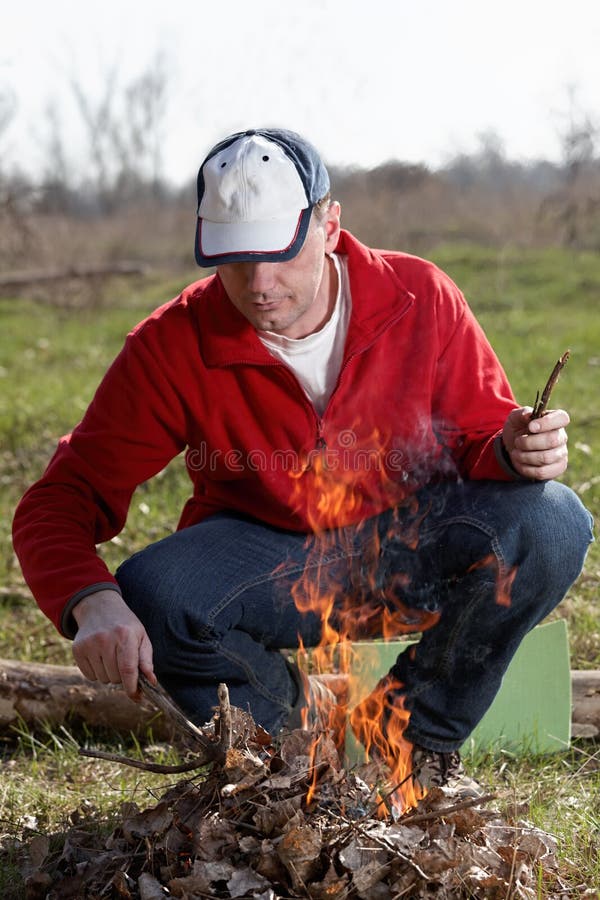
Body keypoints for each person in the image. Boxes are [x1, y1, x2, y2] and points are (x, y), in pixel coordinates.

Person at [13, 128, 593, 796]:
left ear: (329, 223)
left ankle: (414, 739)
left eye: (280, 252)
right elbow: (61, 497)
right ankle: (284, 757)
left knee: (551, 521)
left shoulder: (420, 297)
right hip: (270, 562)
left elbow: (479, 435)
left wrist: (514, 450)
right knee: (154, 594)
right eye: (234, 259)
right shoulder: (171, 346)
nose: (259, 285)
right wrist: (92, 603)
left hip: (410, 544)